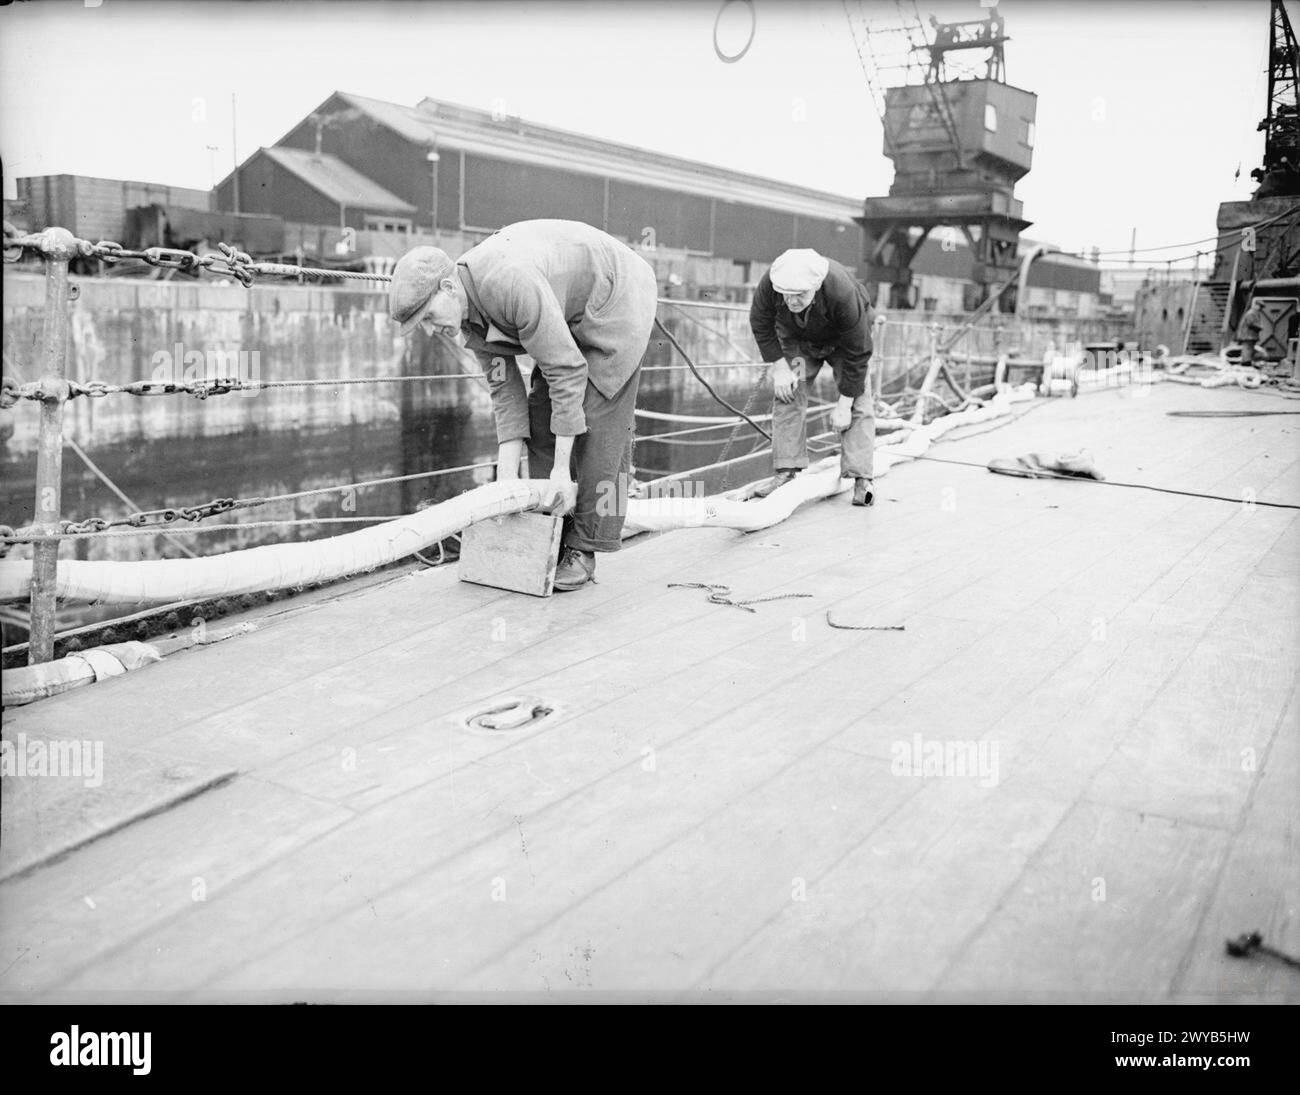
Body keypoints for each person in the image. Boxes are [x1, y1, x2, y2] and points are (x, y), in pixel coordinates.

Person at [389, 219, 658, 591]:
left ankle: (584, 548)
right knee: (540, 413)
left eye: (430, 317)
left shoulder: (509, 283)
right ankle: (553, 525)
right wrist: (506, 484)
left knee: (599, 420)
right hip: (567, 309)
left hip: (617, 295)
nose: (432, 331)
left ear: (448, 288)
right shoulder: (469, 316)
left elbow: (566, 370)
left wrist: (562, 470)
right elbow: (506, 394)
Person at [748, 248, 876, 506]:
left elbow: (857, 353)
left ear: (816, 287)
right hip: (800, 342)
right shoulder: (772, 282)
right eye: (787, 295)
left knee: (858, 402)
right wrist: (780, 368)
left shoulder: (842, 291)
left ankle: (861, 478)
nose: (792, 301)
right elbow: (760, 322)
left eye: (800, 295)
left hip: (844, 344)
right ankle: (786, 471)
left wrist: (843, 405)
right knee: (789, 393)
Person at [1236, 299, 1266, 366]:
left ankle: (1246, 361)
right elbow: (1251, 323)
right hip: (1248, 335)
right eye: (1260, 307)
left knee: (1249, 348)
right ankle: (1246, 362)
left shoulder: (1254, 312)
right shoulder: (1251, 313)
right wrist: (1260, 327)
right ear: (1256, 305)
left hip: (1250, 335)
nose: (1261, 309)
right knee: (1248, 348)